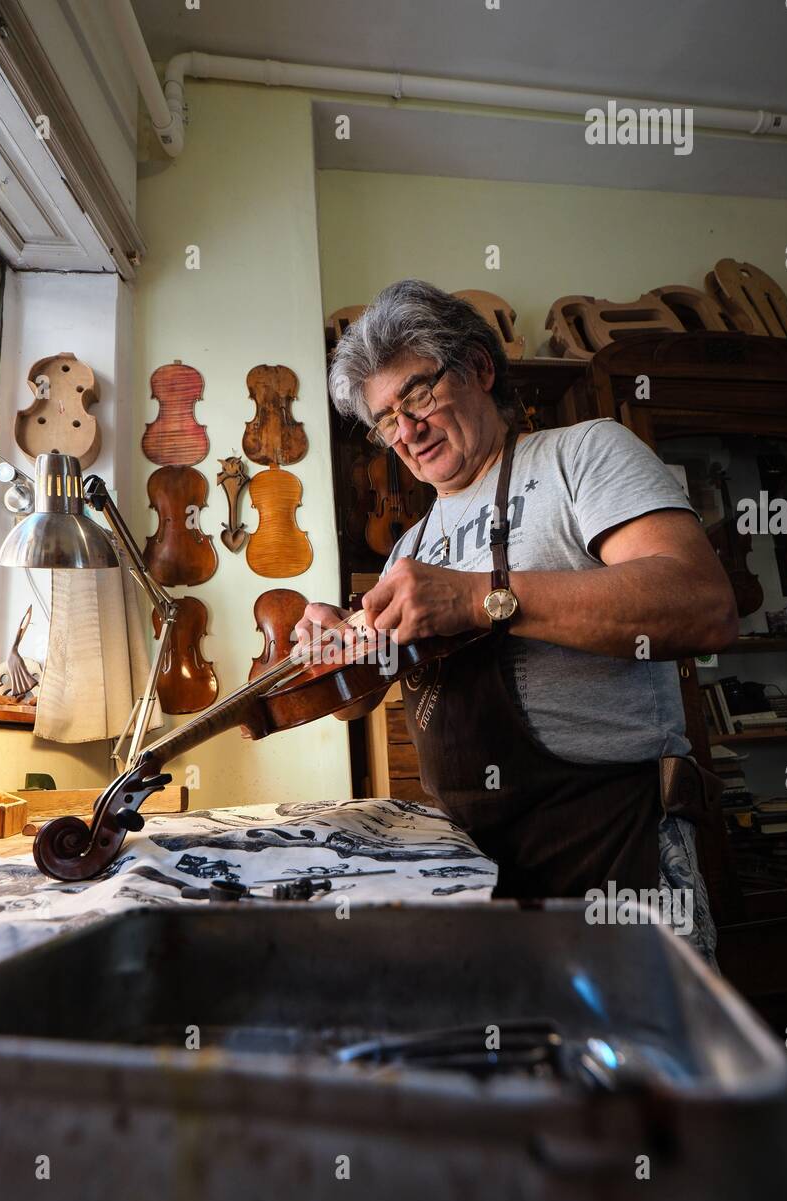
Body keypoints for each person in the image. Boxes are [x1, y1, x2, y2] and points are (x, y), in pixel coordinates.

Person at [300, 280, 738, 961]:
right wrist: (337, 653)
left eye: (415, 395)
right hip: (477, 866)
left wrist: (478, 598)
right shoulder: (409, 547)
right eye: (384, 419)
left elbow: (701, 606)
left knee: (645, 1064)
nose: (405, 433)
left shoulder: (582, 455)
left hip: (611, 845)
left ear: (478, 367)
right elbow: (357, 704)